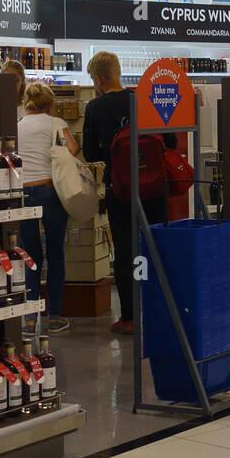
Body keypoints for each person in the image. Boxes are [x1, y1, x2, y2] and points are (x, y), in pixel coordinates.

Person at [81, 51, 174, 335]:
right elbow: (170, 140)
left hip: (121, 189)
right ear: (119, 72)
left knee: (125, 250)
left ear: (98, 78)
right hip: (156, 188)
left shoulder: (96, 107)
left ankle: (130, 317)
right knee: (157, 246)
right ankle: (161, 311)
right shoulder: (144, 99)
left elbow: (90, 152)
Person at [17, 82, 77, 334]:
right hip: (50, 191)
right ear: (49, 104)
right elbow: (72, 149)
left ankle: (30, 319)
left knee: (30, 257)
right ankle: (54, 317)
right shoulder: (55, 123)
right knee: (55, 254)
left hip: (23, 194)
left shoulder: (17, 125)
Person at [1, 60, 27, 124]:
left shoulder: (28, 109)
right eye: (7, 80)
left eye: (16, 80)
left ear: (22, 80)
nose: (11, 84)